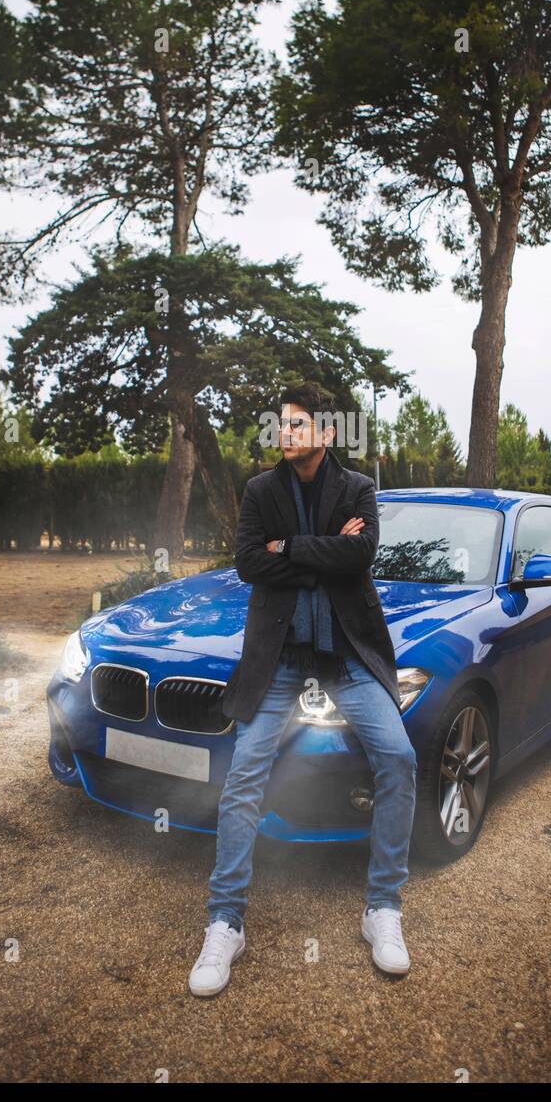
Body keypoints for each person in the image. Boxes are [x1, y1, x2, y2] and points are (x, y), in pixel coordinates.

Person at [188, 382, 417, 995]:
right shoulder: (261, 490)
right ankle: (225, 921)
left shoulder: (359, 489)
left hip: (347, 653)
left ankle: (382, 910)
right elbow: (248, 564)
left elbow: (360, 554)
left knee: (398, 756)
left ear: (327, 432)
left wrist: (287, 546)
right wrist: (325, 550)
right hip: (279, 656)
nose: (285, 434)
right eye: (281, 425)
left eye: (297, 425)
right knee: (242, 778)